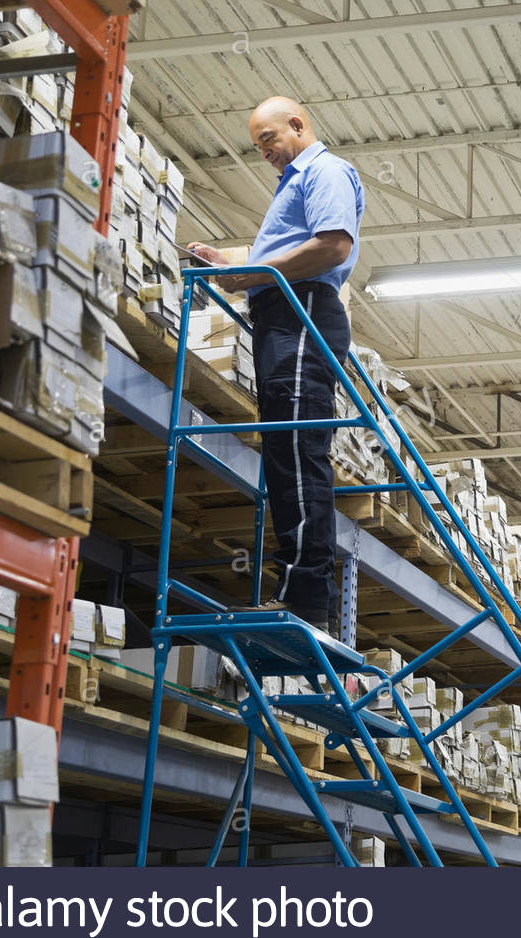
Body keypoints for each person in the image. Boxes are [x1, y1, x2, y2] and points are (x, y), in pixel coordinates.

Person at [189, 96, 365, 632]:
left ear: (298, 124)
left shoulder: (325, 170)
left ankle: (307, 596)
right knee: (284, 456)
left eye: (268, 138)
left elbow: (333, 246)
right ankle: (300, 587)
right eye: (257, 143)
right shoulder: (293, 183)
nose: (263, 150)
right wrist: (234, 266)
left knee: (295, 451)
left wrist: (254, 273)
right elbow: (292, 249)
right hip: (283, 317)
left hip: (301, 312)